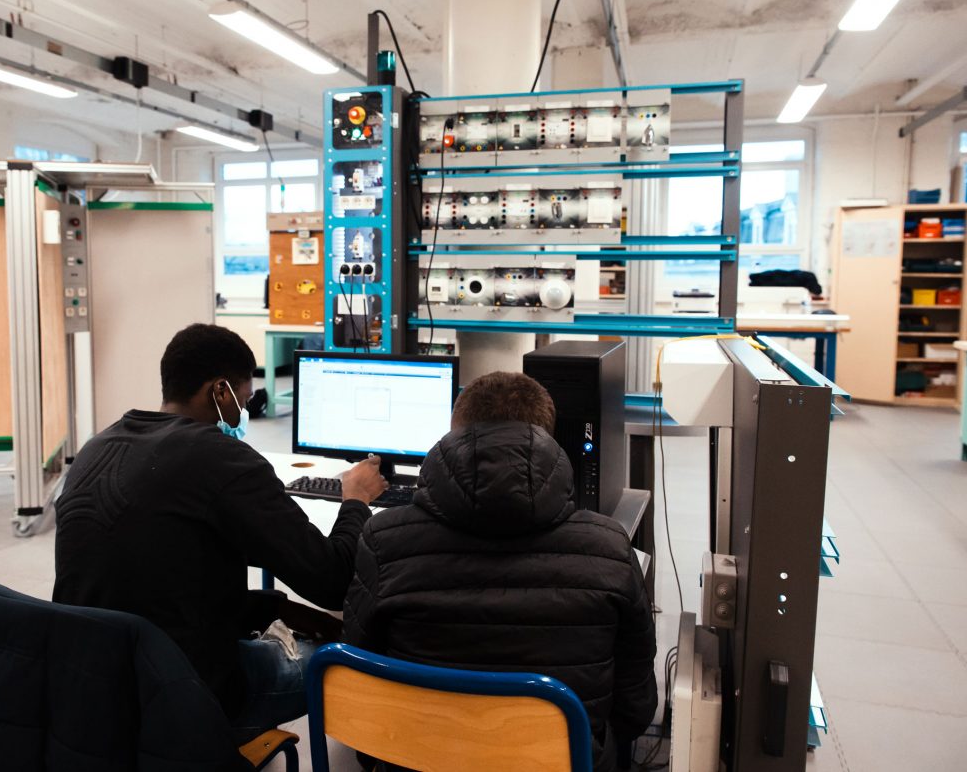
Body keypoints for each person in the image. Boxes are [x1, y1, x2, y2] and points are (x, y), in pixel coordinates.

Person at [53, 323, 387, 741]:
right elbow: (333, 580)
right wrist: (354, 498)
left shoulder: (97, 448)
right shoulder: (222, 459)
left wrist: (282, 608)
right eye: (245, 400)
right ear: (221, 391)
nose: (245, 412)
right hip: (185, 697)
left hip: (91, 688)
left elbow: (161, 578)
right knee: (352, 659)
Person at [343, 372, 657, 769]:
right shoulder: (609, 547)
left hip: (417, 761)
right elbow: (637, 708)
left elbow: (358, 686)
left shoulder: (382, 540)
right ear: (547, 438)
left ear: (456, 432)